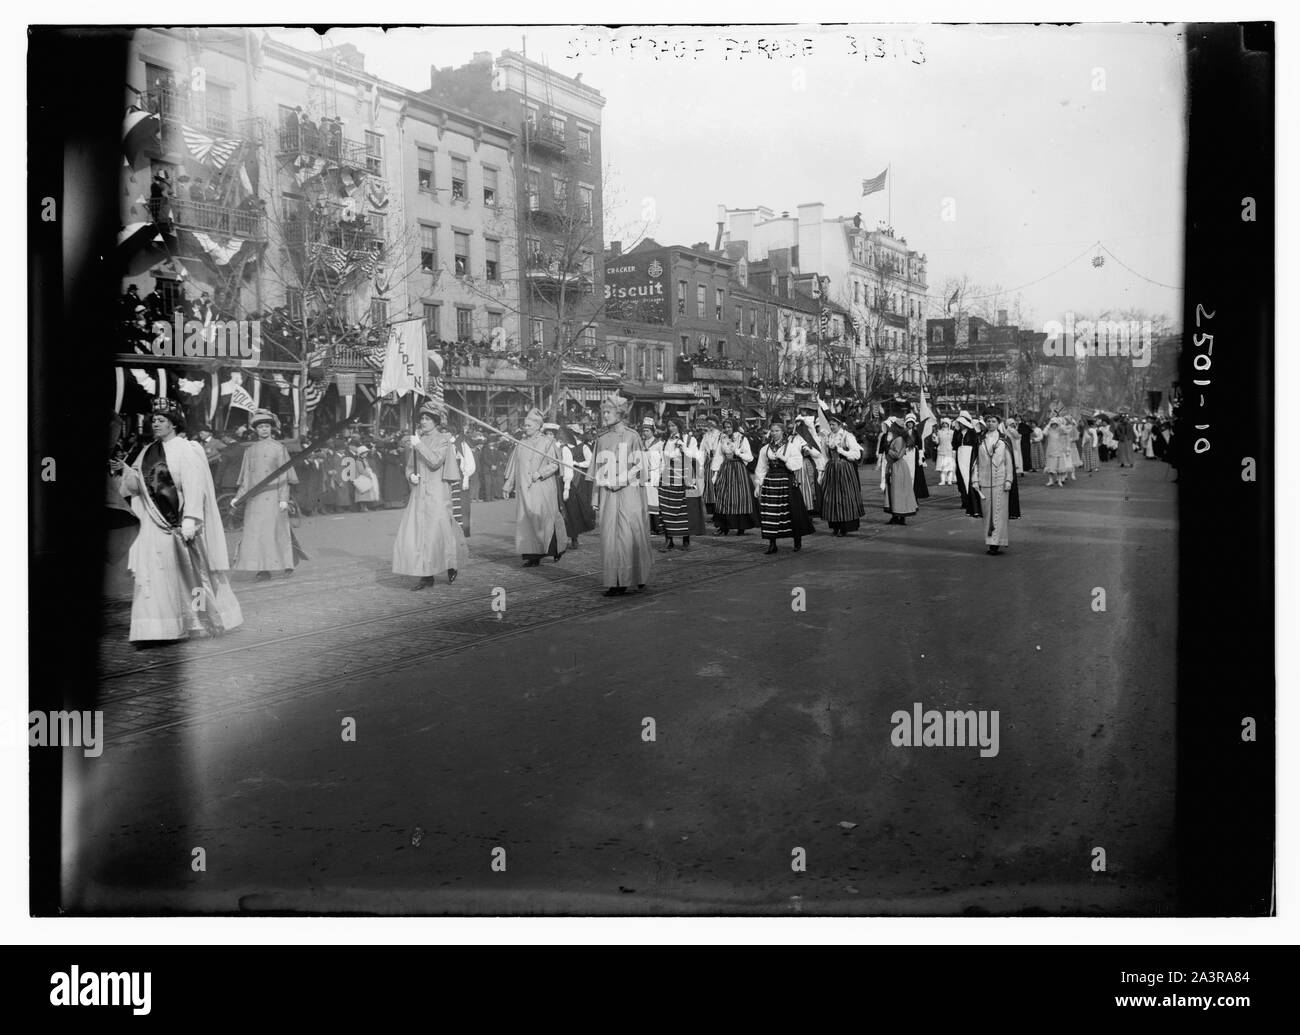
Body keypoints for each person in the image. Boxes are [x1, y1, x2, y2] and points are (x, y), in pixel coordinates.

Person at [117, 400, 243, 643]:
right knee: (156, 575)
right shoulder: (147, 451)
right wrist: (124, 470)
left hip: (180, 524)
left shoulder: (188, 449)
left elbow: (195, 486)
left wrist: (191, 519)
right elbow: (134, 489)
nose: (155, 423)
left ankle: (198, 623)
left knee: (189, 574)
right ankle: (157, 629)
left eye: (161, 420)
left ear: (173, 423)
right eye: (153, 419)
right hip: (154, 525)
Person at [391, 402, 467, 589]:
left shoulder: (443, 440)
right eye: (422, 418)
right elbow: (410, 466)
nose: (423, 421)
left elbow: (435, 461)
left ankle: (450, 564)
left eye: (427, 418)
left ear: (435, 422)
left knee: (439, 532)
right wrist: (411, 476)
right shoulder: (419, 440)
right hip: (419, 495)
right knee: (420, 535)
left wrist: (418, 445)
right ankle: (426, 575)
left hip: (438, 493)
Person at [587, 396, 653, 595]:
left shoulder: (633, 436)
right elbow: (598, 470)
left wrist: (621, 480)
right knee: (610, 538)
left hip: (629, 493)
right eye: (603, 412)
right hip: (608, 496)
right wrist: (596, 497)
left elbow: (641, 466)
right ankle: (615, 581)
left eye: (607, 412)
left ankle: (638, 575)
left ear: (620, 414)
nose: (603, 416)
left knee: (629, 535)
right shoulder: (601, 439)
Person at [233, 409, 299, 580]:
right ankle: (262, 569)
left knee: (273, 532)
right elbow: (246, 477)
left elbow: (284, 475)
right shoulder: (250, 450)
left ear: (271, 429)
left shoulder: (279, 449)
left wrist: (284, 498)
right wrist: (238, 496)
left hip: (273, 498)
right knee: (256, 534)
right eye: (261, 427)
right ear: (256, 430)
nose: (264, 429)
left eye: (267, 426)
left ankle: (285, 563)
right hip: (255, 500)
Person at [502, 408, 567, 566]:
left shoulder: (547, 443)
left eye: (529, 425)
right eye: (525, 425)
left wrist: (540, 473)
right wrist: (507, 485)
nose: (526, 428)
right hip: (525, 490)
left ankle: (556, 549)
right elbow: (513, 467)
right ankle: (532, 556)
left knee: (545, 519)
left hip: (543, 489)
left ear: (538, 426)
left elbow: (555, 465)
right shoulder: (521, 444)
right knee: (527, 523)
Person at [753, 418, 815, 553]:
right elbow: (761, 468)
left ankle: (797, 541)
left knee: (792, 510)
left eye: (777, 431)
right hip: (771, 482)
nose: (774, 433)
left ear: (782, 432)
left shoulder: (790, 447)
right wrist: (758, 485)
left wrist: (785, 459)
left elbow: (797, 464)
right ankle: (772, 543)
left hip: (787, 480)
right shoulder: (766, 449)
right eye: (772, 431)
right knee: (770, 512)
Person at [657, 417, 705, 550]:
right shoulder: (666, 441)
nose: (671, 428)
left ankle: (686, 539)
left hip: (684, 475)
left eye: (673, 426)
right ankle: (669, 540)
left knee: (684, 508)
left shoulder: (690, 439)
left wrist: (683, 447)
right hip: (668, 476)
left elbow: (695, 456)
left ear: (679, 426)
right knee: (666, 507)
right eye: (669, 426)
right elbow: (663, 460)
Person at [971, 410, 1015, 555]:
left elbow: (1009, 461)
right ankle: (990, 541)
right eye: (988, 421)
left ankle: (996, 543)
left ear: (998, 423)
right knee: (987, 513)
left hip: (1000, 480)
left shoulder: (1004, 439)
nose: (990, 424)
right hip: (984, 481)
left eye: (993, 421)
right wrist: (975, 479)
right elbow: (975, 462)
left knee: (999, 512)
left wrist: (1009, 479)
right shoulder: (980, 439)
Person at [819, 412, 864, 536]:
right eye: (830, 424)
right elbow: (824, 456)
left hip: (845, 469)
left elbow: (856, 454)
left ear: (839, 424)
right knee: (831, 498)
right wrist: (822, 472)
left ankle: (844, 527)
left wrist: (842, 451)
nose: (831, 427)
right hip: (831, 469)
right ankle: (835, 526)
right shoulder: (828, 437)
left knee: (845, 497)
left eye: (833, 424)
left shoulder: (847, 436)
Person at [710, 418, 757, 536]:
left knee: (740, 497)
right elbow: (718, 456)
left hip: (738, 468)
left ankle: (741, 526)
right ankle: (723, 526)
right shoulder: (722, 439)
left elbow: (750, 457)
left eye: (729, 427)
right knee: (723, 496)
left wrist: (738, 453)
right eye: (725, 427)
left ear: (734, 427)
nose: (727, 429)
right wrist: (715, 473)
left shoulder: (742, 438)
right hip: (726, 468)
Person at [553, 424, 595, 549]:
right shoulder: (559, 446)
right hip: (563, 476)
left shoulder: (583, 446)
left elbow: (590, 461)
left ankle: (574, 537)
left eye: (573, 433)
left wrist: (577, 463)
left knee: (573, 508)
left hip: (578, 478)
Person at [883, 418, 918, 525]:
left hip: (897, 467)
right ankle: (896, 515)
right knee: (896, 491)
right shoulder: (898, 438)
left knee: (897, 491)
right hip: (896, 467)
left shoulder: (898, 440)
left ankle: (900, 515)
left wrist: (888, 450)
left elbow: (898, 455)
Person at [638, 418, 663, 535]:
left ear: (653, 431)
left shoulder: (659, 443)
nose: (645, 433)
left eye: (647, 431)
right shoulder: (641, 444)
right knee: (645, 500)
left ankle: (657, 527)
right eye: (644, 431)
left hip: (655, 473)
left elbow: (663, 460)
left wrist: (660, 474)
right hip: (644, 474)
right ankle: (647, 526)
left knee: (655, 500)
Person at [952, 411, 980, 513]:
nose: (959, 425)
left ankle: (971, 499)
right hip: (960, 456)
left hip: (970, 455)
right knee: (961, 478)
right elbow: (954, 445)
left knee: (969, 476)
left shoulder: (972, 433)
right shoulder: (957, 433)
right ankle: (964, 500)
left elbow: (975, 445)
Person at [1043, 417, 1073, 487]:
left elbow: (1067, 431)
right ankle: (1050, 481)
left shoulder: (1060, 430)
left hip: (1059, 450)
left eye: (1055, 424)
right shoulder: (1049, 430)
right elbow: (1044, 433)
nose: (1054, 425)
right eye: (1053, 424)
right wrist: (1048, 425)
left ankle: (1059, 481)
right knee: (1050, 467)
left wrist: (1061, 424)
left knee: (1059, 467)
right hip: (1051, 451)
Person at [935, 417, 956, 485]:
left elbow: (954, 441)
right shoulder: (939, 432)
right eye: (943, 423)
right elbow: (937, 442)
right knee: (942, 468)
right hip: (941, 451)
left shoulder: (952, 432)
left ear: (948, 424)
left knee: (949, 467)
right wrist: (935, 439)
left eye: (946, 423)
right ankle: (943, 481)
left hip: (949, 451)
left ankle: (949, 480)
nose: (944, 425)